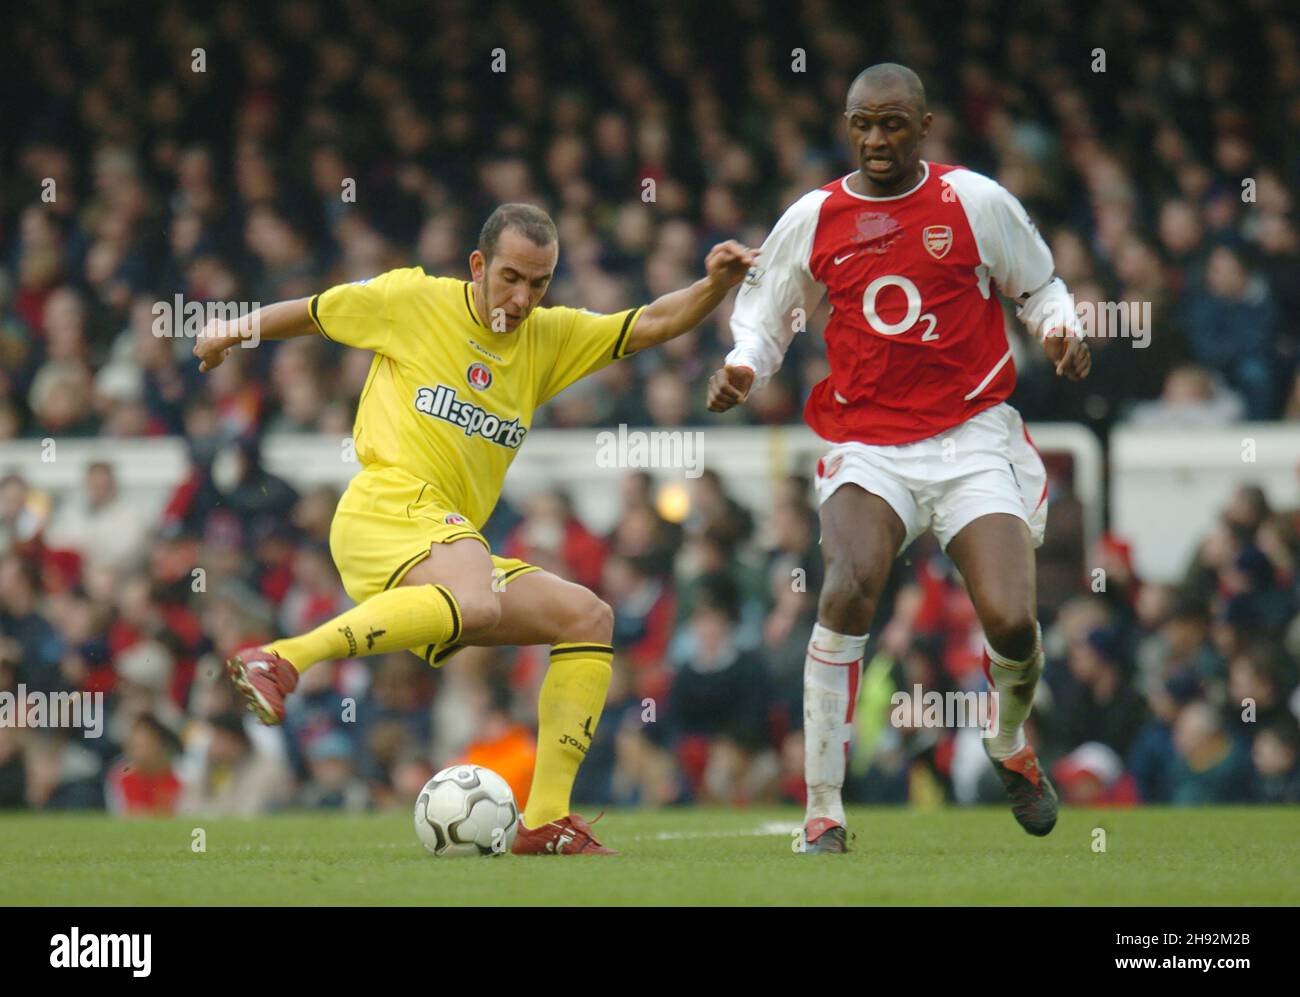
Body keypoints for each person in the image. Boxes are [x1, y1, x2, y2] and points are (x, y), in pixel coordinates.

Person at [195, 202, 754, 855]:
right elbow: (315, 311)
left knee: (587, 616)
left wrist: (716, 285)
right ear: (478, 265)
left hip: (446, 542)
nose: (521, 298)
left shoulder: (548, 338)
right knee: (477, 594)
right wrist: (232, 332)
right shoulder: (411, 299)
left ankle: (545, 819)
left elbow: (652, 321)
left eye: (539, 283)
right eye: (510, 277)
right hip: (386, 506)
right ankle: (284, 657)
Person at [707, 63, 1091, 852]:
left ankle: (1009, 739)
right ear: (848, 127)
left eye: (891, 124)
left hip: (972, 438)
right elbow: (766, 318)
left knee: (1013, 620)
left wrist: (1062, 328)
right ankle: (823, 809)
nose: (875, 139)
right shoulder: (816, 216)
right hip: (868, 443)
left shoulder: (975, 201)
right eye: (862, 124)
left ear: (923, 126)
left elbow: (1042, 285)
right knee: (845, 589)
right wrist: (745, 366)